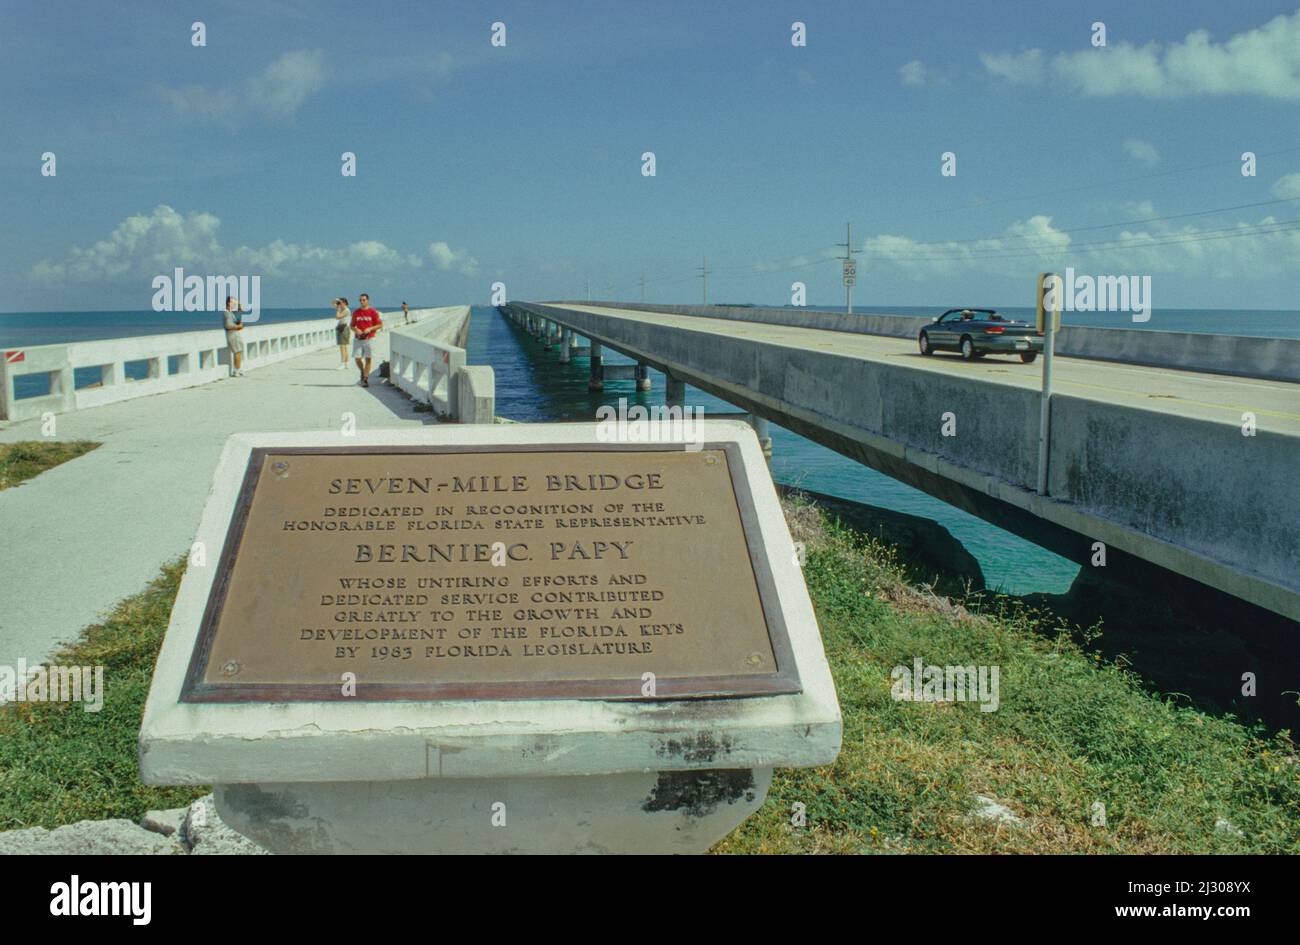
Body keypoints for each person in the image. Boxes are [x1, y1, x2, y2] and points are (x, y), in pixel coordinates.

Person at [350, 293, 383, 387]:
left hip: (369, 338)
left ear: (367, 300)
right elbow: (351, 325)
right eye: (360, 300)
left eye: (364, 300)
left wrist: (370, 329)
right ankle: (362, 371)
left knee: (368, 359)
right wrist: (356, 329)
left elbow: (380, 325)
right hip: (358, 338)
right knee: (357, 358)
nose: (362, 301)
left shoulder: (373, 312)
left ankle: (365, 379)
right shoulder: (356, 312)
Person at [223, 296, 246, 377]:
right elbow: (228, 325)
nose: (234, 304)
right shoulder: (227, 313)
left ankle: (238, 369)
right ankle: (236, 370)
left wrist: (238, 302)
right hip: (232, 334)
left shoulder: (230, 312)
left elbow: (242, 309)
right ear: (229, 303)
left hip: (235, 333)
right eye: (232, 302)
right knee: (237, 352)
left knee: (239, 352)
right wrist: (239, 326)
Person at [333, 297, 352, 369]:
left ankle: (342, 364)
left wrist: (338, 309)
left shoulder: (346, 310)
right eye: (339, 303)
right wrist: (336, 300)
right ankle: (346, 364)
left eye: (340, 303)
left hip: (343, 329)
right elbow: (332, 303)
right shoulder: (342, 309)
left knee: (342, 347)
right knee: (344, 347)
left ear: (345, 303)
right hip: (343, 328)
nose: (339, 304)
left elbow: (337, 317)